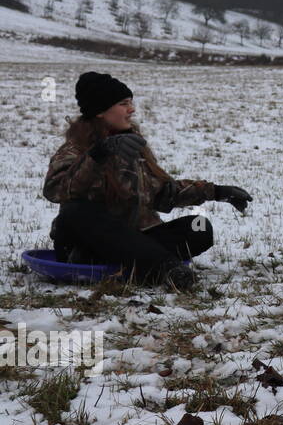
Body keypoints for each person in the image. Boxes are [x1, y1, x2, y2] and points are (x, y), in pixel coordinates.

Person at [42, 71, 252, 289]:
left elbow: (163, 193)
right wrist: (98, 155)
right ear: (101, 111)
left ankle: (133, 260)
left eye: (131, 103)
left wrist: (215, 191)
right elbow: (55, 190)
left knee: (198, 228)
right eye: (124, 104)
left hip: (133, 238)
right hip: (86, 240)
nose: (131, 109)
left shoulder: (133, 147)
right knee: (76, 212)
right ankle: (163, 268)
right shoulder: (75, 149)